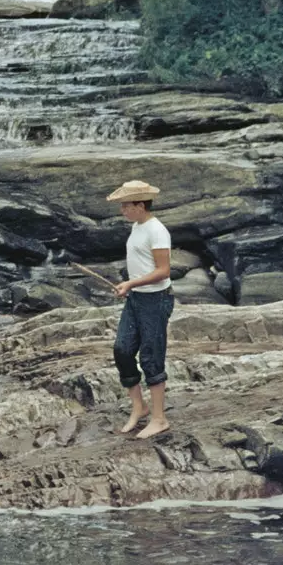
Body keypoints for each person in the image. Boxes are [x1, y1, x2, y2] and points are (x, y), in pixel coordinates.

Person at [108, 179, 174, 441]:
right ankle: (140, 406)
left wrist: (132, 282)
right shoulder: (137, 227)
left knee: (151, 356)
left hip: (156, 300)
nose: (122, 210)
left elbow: (163, 271)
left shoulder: (157, 230)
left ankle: (160, 419)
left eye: (126, 205)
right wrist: (130, 287)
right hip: (136, 299)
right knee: (122, 350)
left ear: (140, 205)